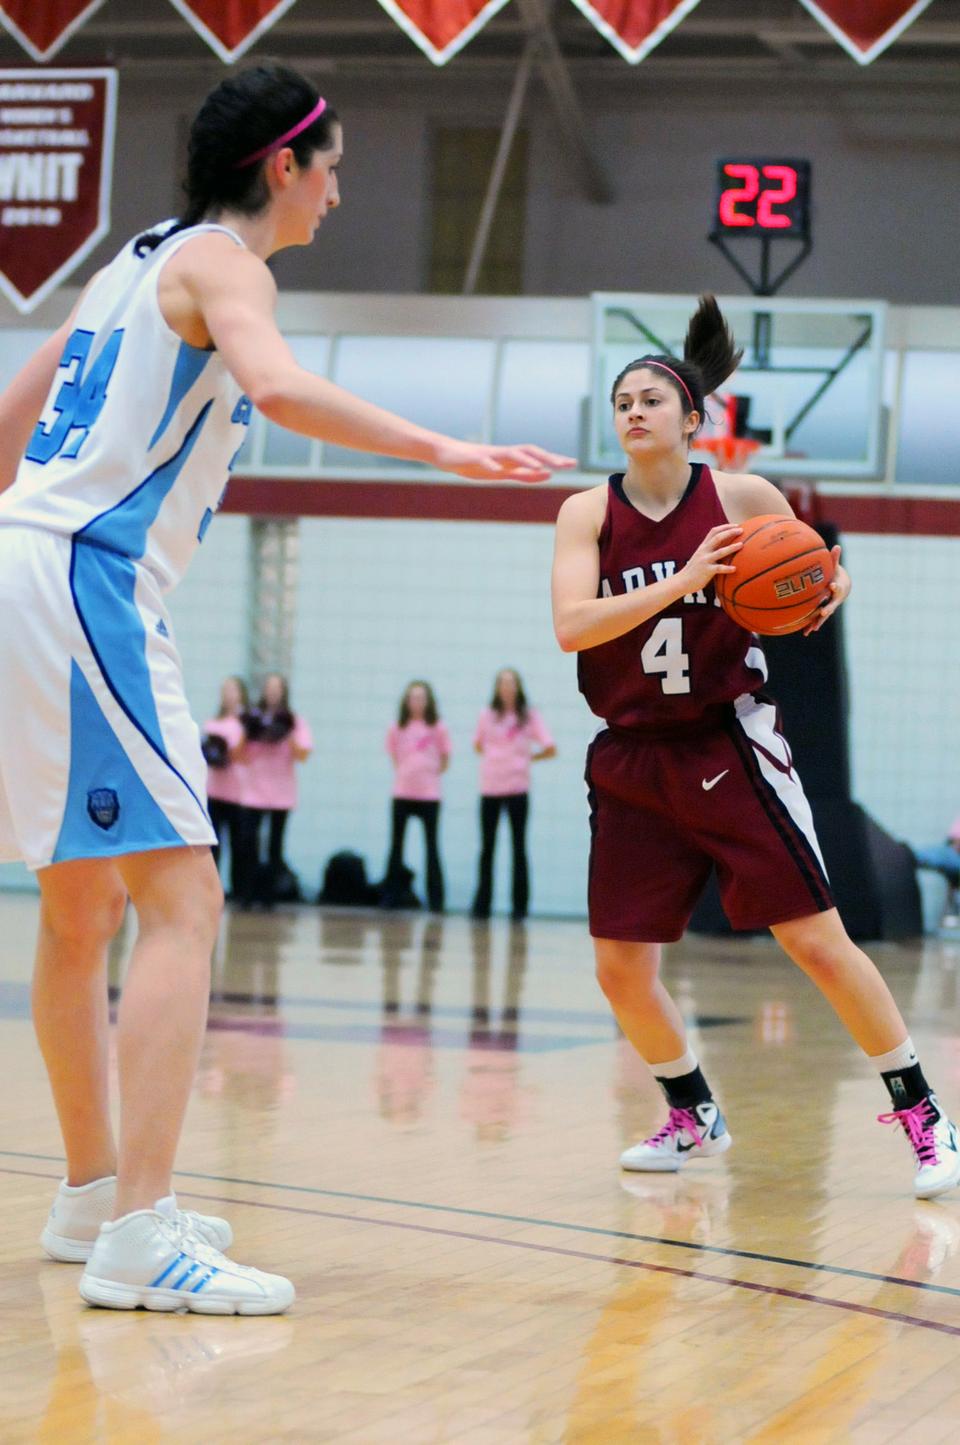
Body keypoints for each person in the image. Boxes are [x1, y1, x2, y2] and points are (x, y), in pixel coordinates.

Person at [0, 62, 572, 1316]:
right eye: (333, 167)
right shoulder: (222, 264)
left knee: (78, 906)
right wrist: (444, 448)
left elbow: (9, 422)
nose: (337, 189)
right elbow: (275, 386)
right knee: (187, 896)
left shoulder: (127, 263)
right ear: (283, 166)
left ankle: (95, 1192)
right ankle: (140, 1232)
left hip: (30, 564)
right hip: (87, 578)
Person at [550, 293, 960, 1200]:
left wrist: (826, 589)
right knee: (620, 967)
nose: (632, 412)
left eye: (651, 399)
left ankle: (928, 1117)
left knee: (814, 940)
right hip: (627, 755)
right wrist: (687, 580)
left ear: (692, 419)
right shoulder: (588, 513)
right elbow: (573, 626)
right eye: (621, 401)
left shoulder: (741, 499)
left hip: (726, 743)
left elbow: (823, 572)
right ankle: (691, 1110)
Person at [471, 668, 556, 921]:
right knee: (487, 848)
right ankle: (482, 906)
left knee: (518, 848)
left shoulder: (529, 716)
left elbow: (550, 748)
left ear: (518, 687)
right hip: (490, 788)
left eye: (511, 683)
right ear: (497, 688)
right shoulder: (487, 715)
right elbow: (477, 745)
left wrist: (525, 759)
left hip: (518, 789)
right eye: (502, 683)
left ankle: (519, 908)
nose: (507, 687)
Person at [234, 672, 312, 908]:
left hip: (281, 795)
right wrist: (249, 734)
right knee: (248, 843)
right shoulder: (252, 718)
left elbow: (303, 755)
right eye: (269, 687)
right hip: (253, 793)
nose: (273, 692)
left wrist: (286, 734)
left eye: (277, 688)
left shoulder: (294, 721)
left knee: (274, 848)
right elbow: (238, 756)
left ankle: (269, 897)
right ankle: (247, 894)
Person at [383, 681, 451, 912]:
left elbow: (445, 760)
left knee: (432, 847)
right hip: (402, 793)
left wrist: (427, 774)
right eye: (413, 697)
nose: (417, 702)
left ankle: (436, 901)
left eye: (421, 697)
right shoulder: (397, 727)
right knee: (396, 846)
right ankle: (391, 896)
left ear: (429, 701)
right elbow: (394, 756)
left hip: (429, 795)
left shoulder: (438, 727)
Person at [201, 674, 249, 894]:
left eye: (232, 690)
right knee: (213, 845)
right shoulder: (212, 723)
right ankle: (212, 889)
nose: (228, 694)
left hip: (237, 793)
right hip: (214, 791)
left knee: (239, 845)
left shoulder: (245, 725)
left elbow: (242, 754)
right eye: (225, 689)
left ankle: (240, 890)